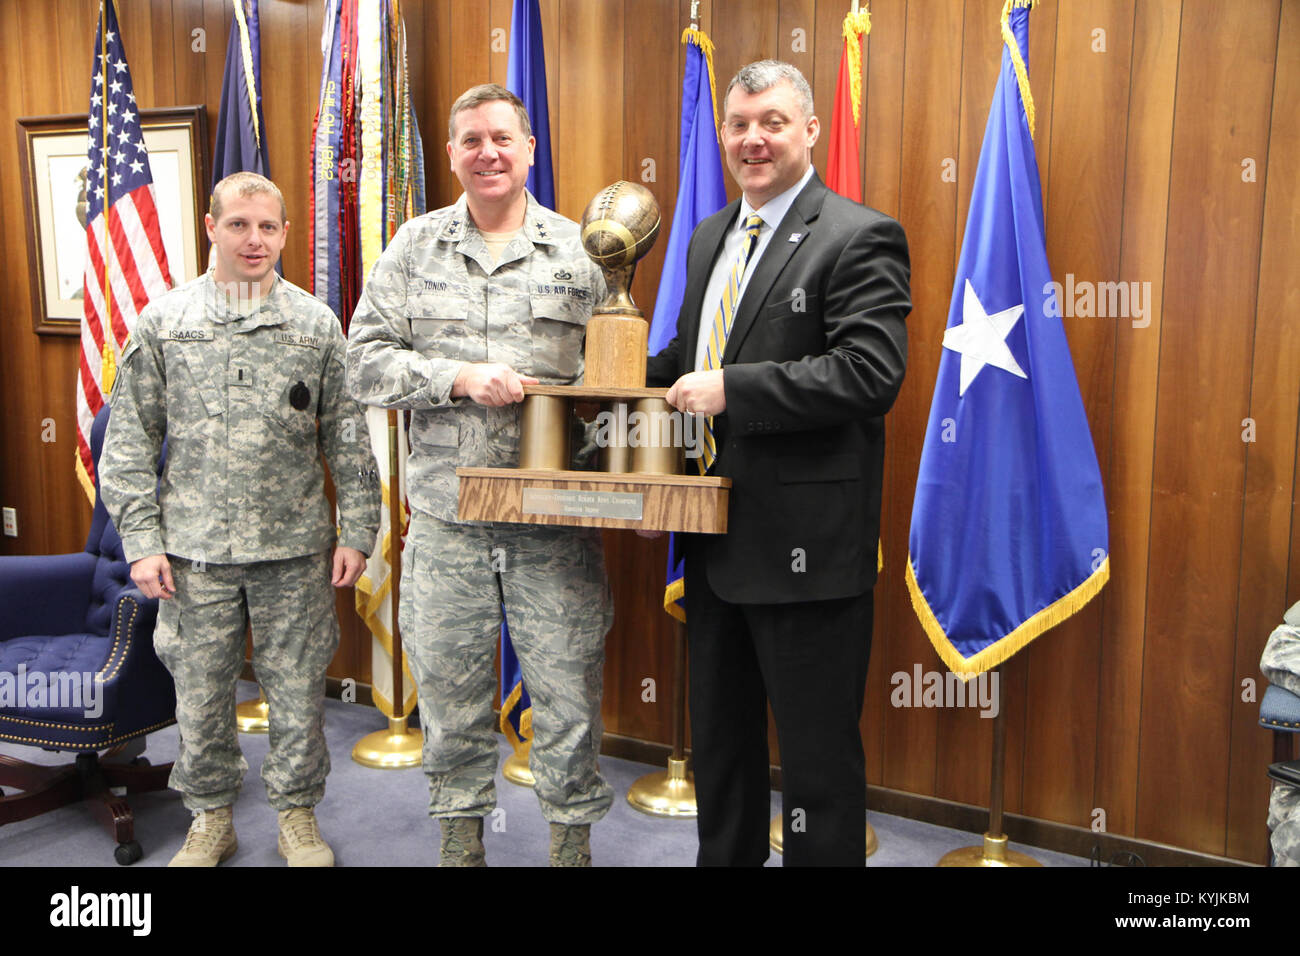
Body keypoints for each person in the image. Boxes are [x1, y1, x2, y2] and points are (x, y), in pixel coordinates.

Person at [645, 60, 911, 866]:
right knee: (721, 755)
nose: (752, 139)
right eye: (738, 125)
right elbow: (682, 361)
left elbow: (870, 374)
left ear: (809, 132)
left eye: (771, 122)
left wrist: (733, 388)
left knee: (817, 766)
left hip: (808, 554)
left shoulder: (859, 234)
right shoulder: (708, 236)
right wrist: (599, 382)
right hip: (715, 543)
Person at [346, 84, 613, 867]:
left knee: (567, 699)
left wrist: (637, 484)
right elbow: (362, 363)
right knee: (454, 703)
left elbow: (613, 384)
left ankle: (572, 851)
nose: (487, 153)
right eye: (471, 140)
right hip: (446, 521)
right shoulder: (412, 246)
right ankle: (461, 848)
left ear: (530, 150)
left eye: (502, 138)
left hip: (551, 528)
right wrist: (455, 376)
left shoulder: (585, 253)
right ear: (453, 153)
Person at [99, 171, 381, 867]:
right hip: (194, 553)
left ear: (285, 233)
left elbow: (346, 437)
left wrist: (359, 530)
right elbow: (128, 442)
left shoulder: (315, 324)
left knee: (297, 690)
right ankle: (209, 817)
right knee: (199, 694)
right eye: (239, 225)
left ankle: (297, 817)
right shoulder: (165, 323)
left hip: (294, 551)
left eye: (267, 227)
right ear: (211, 227)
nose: (254, 241)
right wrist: (141, 543)